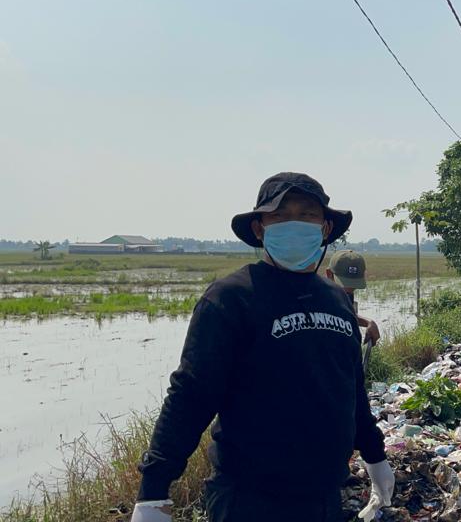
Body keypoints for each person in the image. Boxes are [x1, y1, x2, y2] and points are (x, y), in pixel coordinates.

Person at [130, 173, 393, 522]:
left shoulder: (335, 300)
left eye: (308, 215)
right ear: (259, 228)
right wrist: (153, 489)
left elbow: (351, 389)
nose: (294, 224)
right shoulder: (230, 298)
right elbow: (191, 396)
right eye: (280, 216)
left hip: (326, 495)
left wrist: (375, 456)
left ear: (325, 228)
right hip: (250, 500)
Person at [327, 249, 380, 345]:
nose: (349, 291)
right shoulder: (316, 298)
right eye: (343, 284)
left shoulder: (347, 294)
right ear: (329, 274)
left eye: (353, 286)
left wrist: (368, 322)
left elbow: (347, 314)